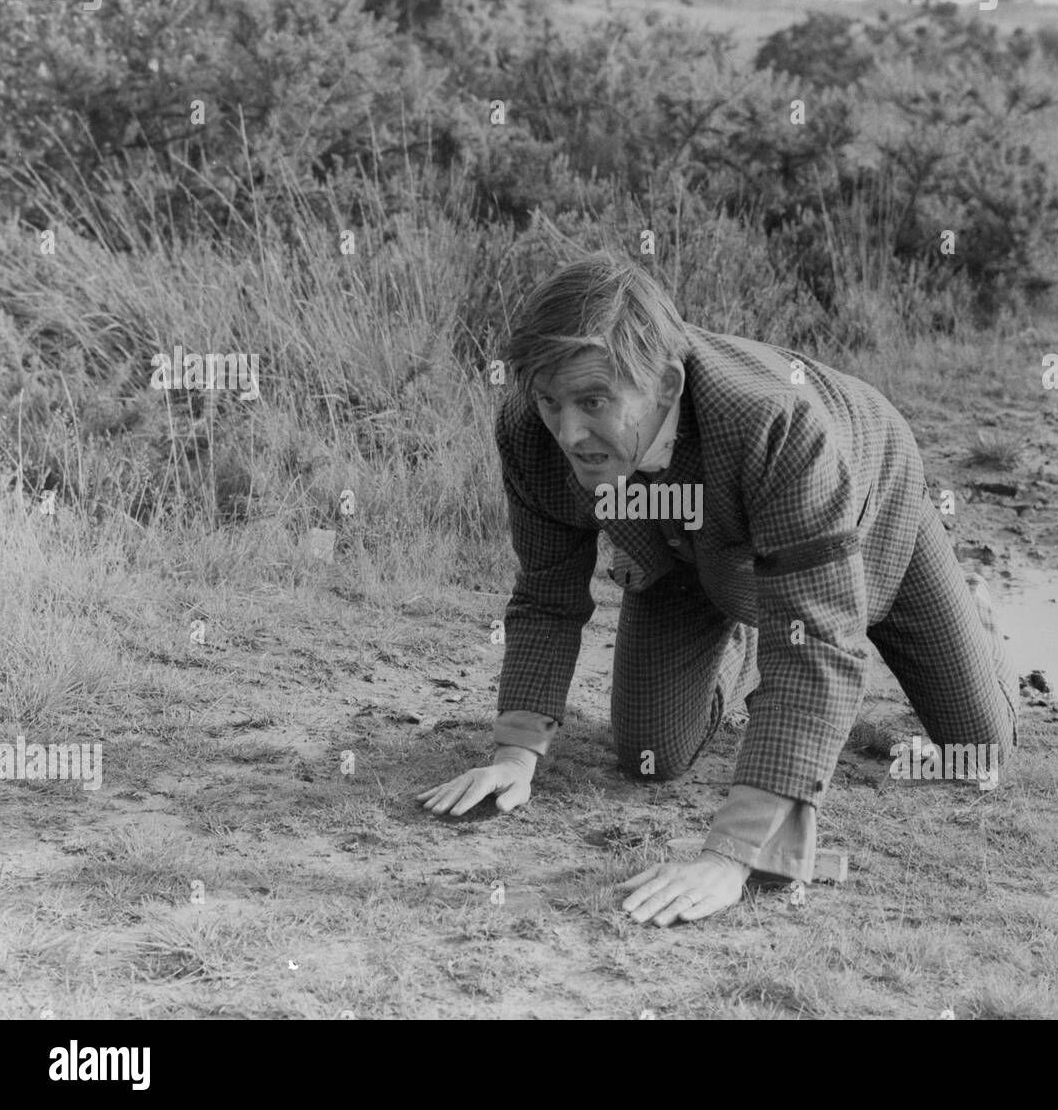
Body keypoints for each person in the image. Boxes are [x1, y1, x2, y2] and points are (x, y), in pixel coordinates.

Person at [417, 252, 1018, 926]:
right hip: (688, 552)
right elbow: (546, 594)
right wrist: (516, 751)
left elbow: (816, 642)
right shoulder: (531, 432)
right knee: (650, 753)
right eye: (552, 402)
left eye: (594, 402)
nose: (568, 432)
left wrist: (731, 855)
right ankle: (745, 616)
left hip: (870, 516)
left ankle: (967, 601)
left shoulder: (779, 426)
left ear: (667, 385)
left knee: (978, 752)